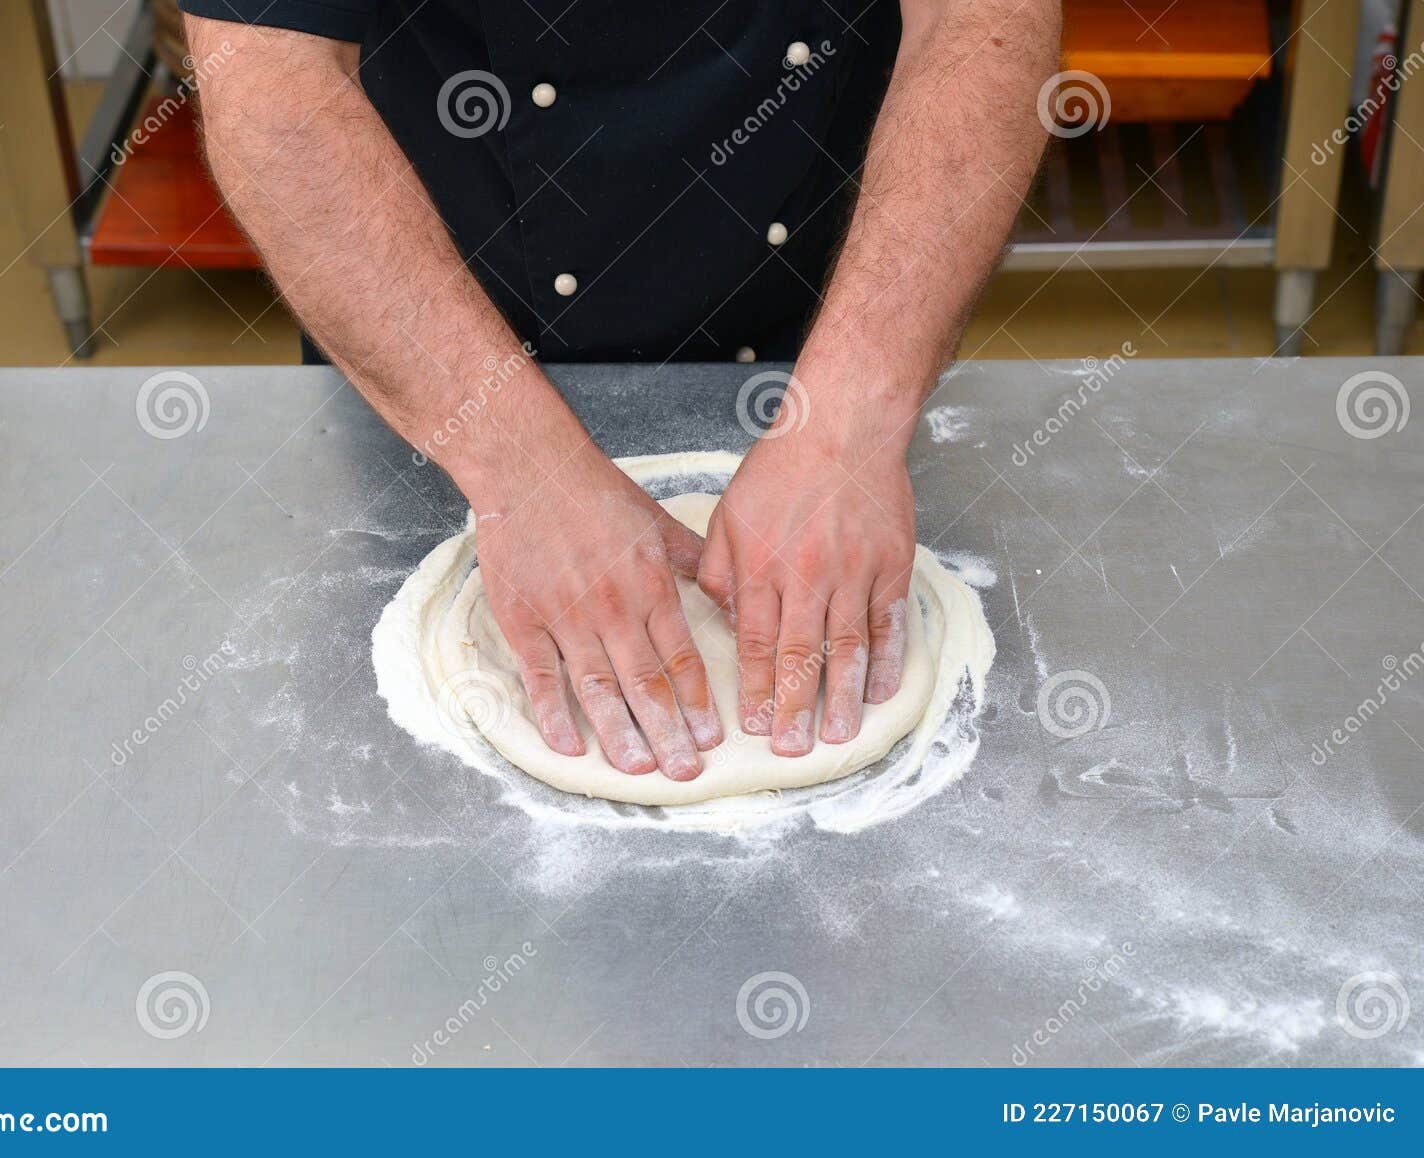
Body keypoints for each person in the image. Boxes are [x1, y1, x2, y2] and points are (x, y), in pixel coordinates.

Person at [179, 0, 1060, 783]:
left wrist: (849, 421)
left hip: (833, 316)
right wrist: (521, 470)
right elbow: (271, 76)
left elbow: (980, 19)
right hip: (440, 346)